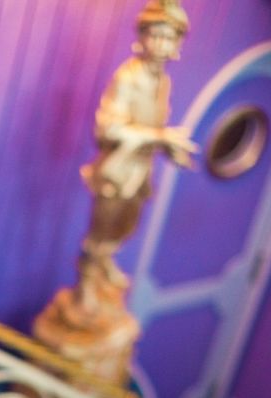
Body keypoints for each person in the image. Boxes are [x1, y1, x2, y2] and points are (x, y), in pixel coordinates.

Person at [78, 0, 197, 306]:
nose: (160, 44)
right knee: (101, 229)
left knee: (125, 225)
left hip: (142, 171)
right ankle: (87, 278)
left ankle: (105, 262)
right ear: (142, 37)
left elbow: (153, 126)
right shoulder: (128, 77)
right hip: (116, 172)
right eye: (154, 35)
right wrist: (161, 137)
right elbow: (109, 128)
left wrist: (169, 148)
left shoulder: (163, 81)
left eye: (168, 37)